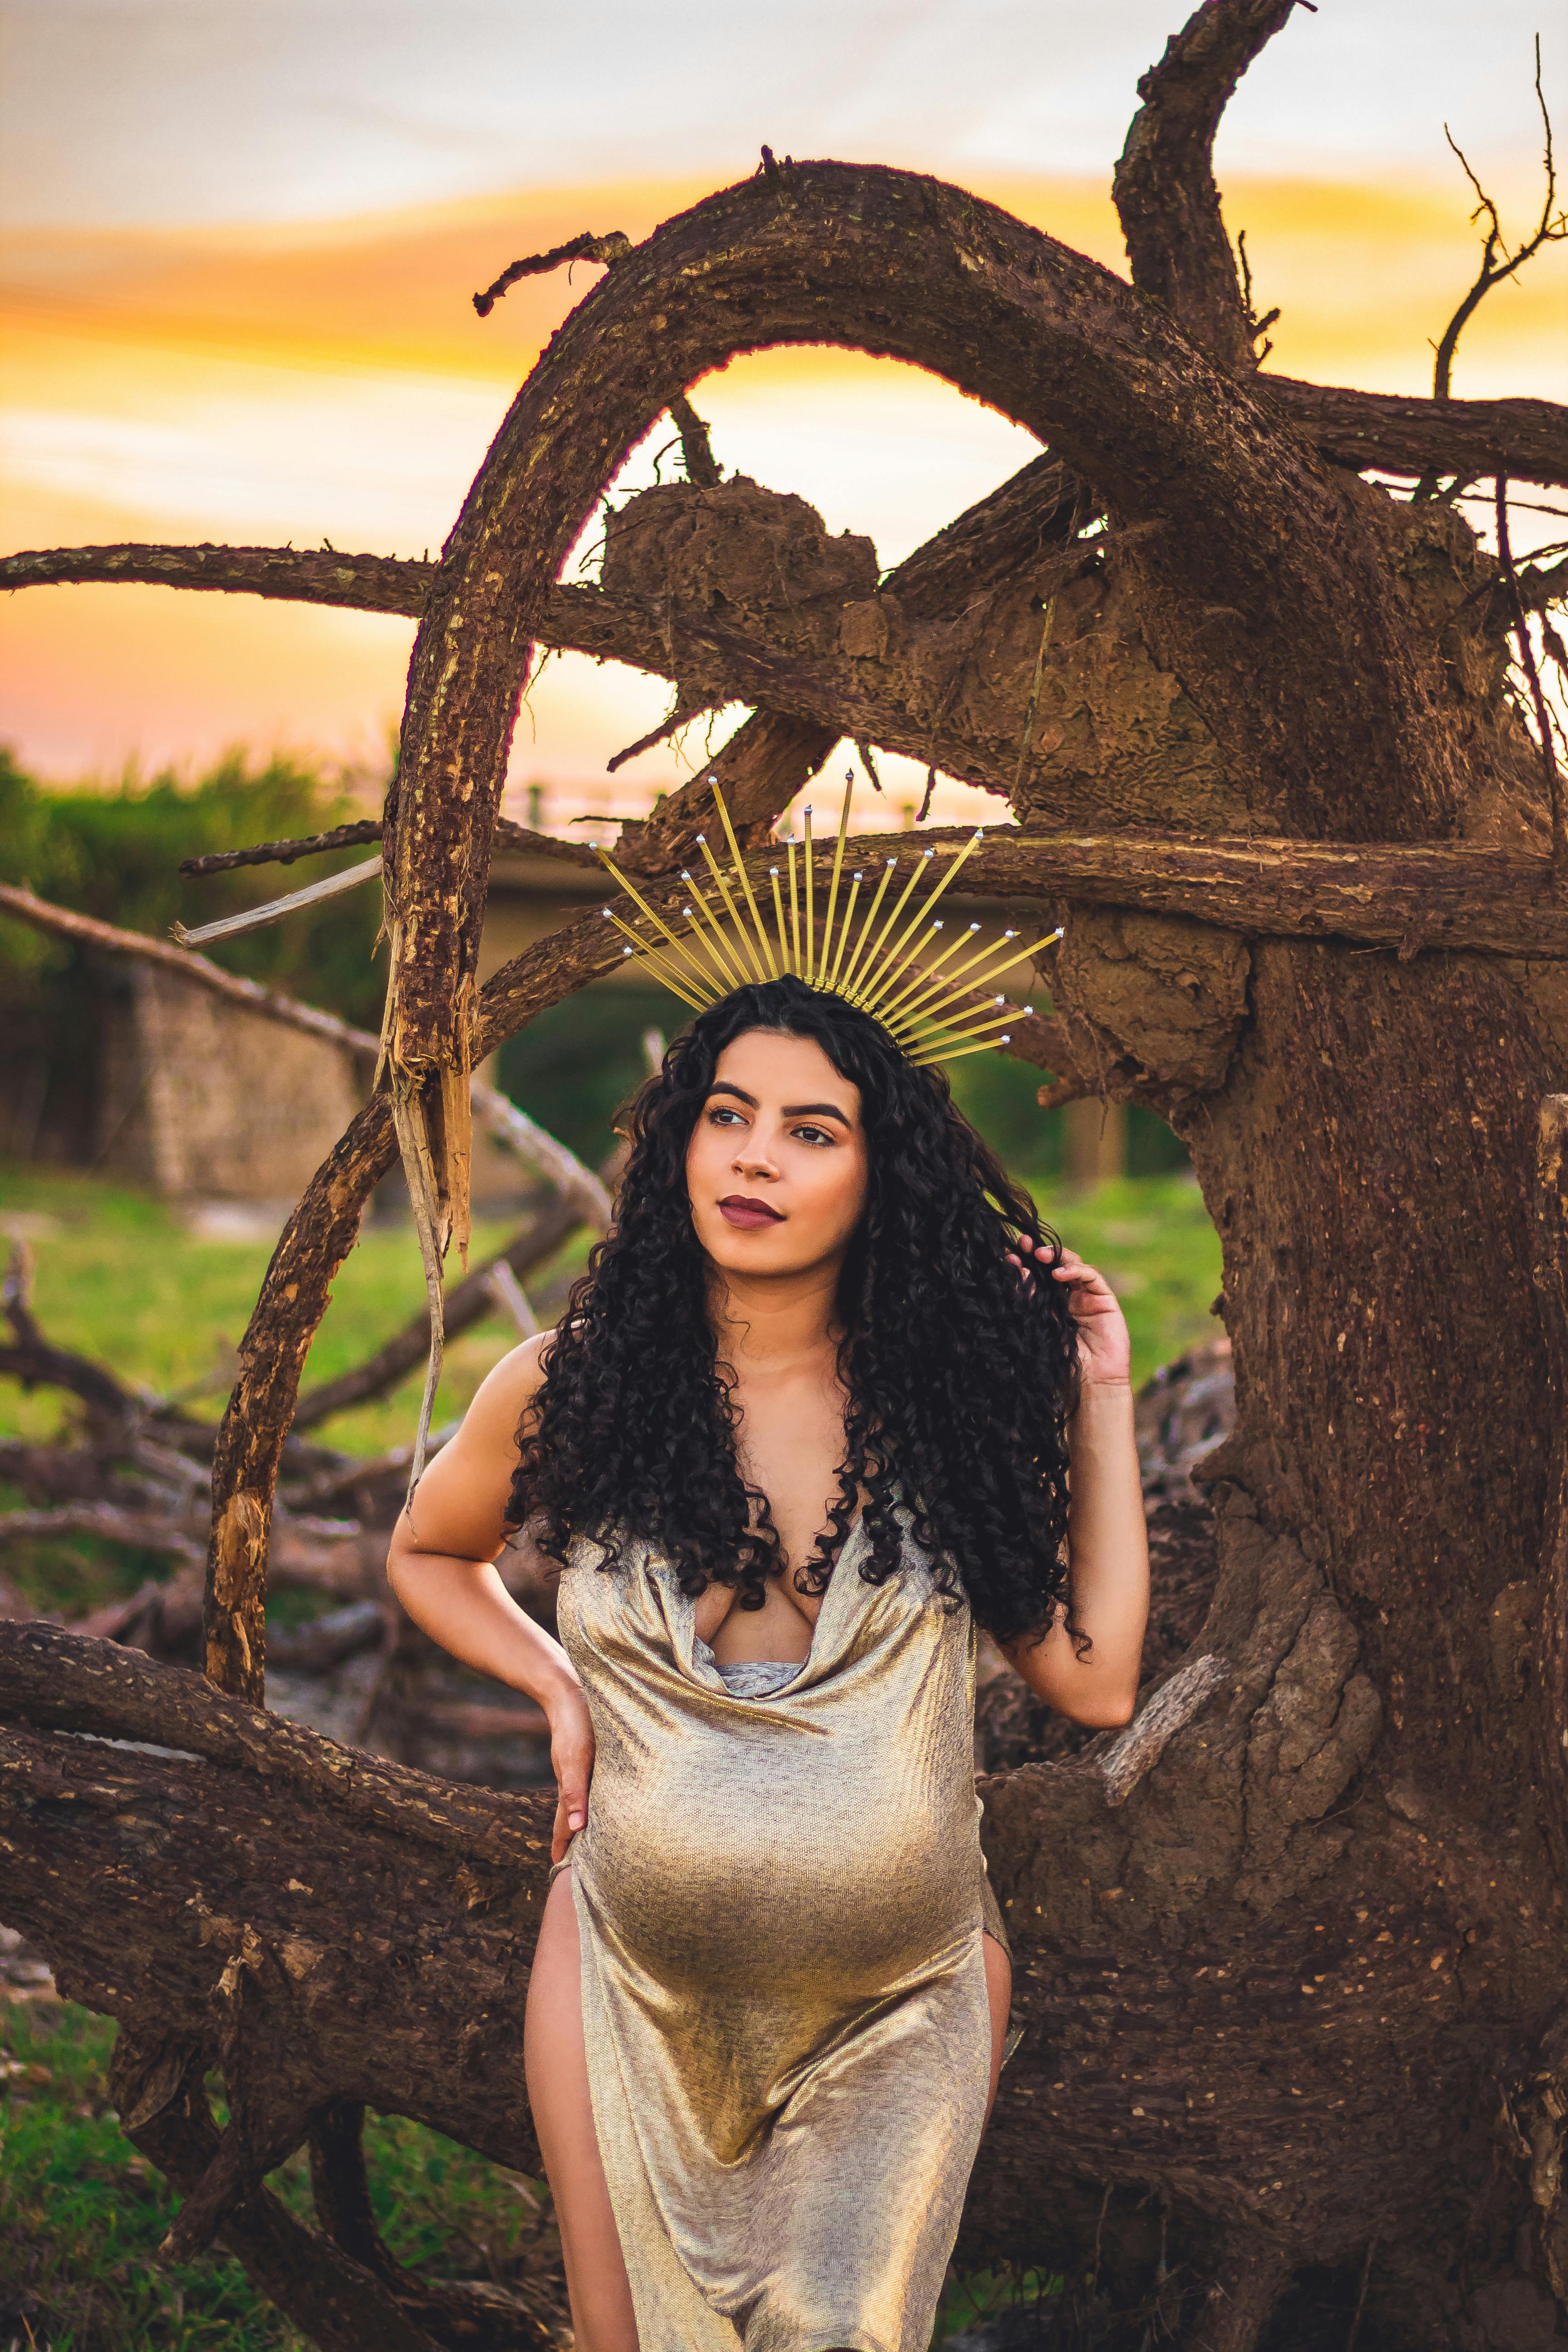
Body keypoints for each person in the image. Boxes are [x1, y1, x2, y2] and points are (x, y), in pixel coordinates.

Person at [388, 973, 1149, 2352]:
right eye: (728, 1114)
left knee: (842, 2331)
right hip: (624, 1979)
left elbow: (1094, 1683)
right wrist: (555, 1686)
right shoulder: (575, 1389)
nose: (753, 1156)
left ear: (880, 1179)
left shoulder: (941, 1412)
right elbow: (428, 1554)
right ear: (679, 1139)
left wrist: (1101, 1393)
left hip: (900, 1999)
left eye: (812, 1131)